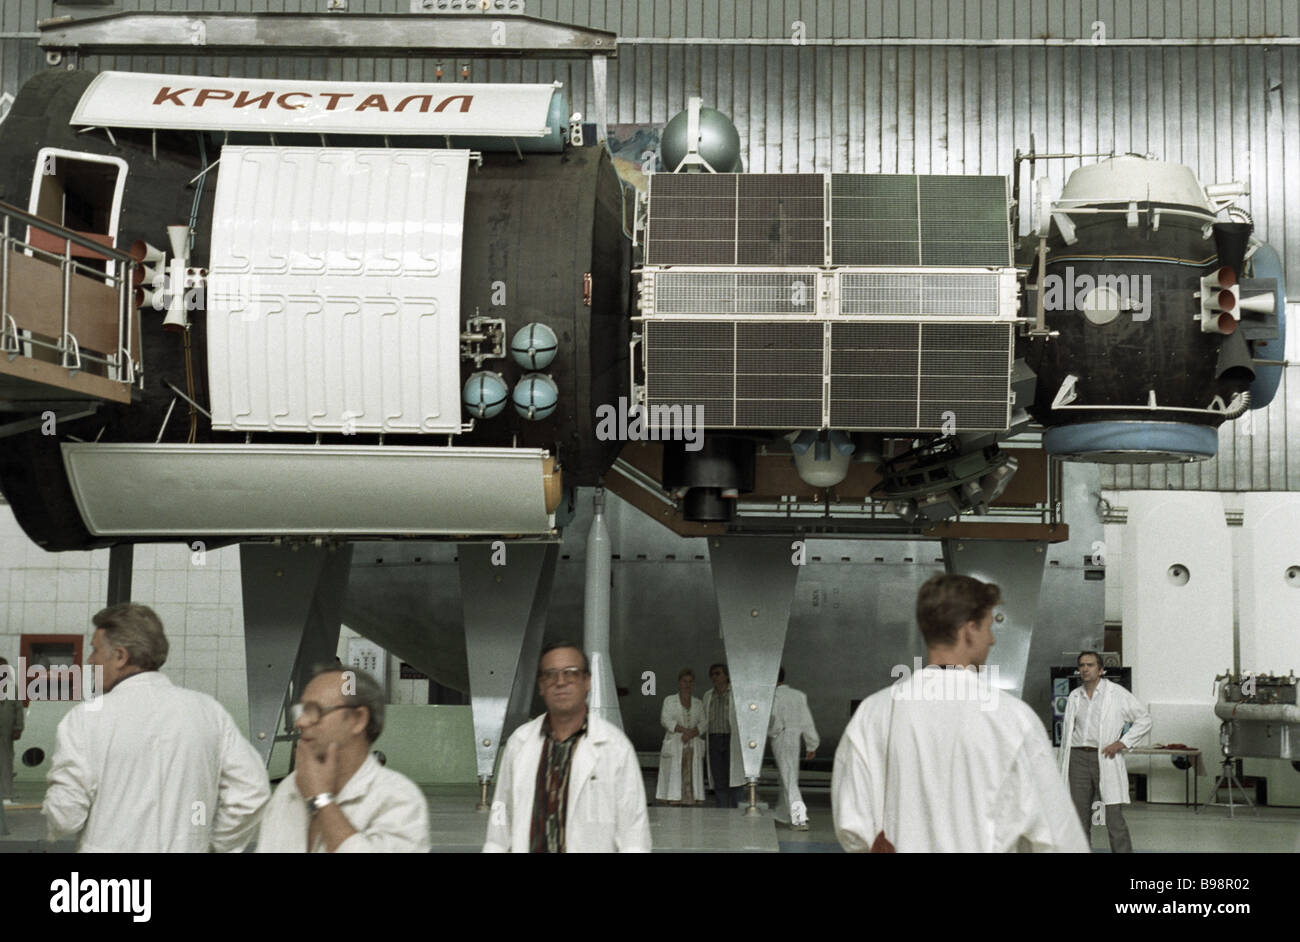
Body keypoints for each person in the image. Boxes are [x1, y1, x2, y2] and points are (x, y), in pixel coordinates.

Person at [832, 574, 1088, 853]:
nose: (991, 640)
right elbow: (1059, 838)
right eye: (988, 627)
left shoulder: (874, 713)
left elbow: (853, 826)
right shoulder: (1012, 719)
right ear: (968, 630)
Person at [43, 603, 271, 852]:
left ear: (120, 656)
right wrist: (214, 845)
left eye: (95, 651)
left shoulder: (85, 719)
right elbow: (252, 792)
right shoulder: (209, 712)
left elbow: (66, 817)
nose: (90, 660)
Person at [484, 641, 650, 853]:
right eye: (550, 674)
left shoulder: (615, 748)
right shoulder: (520, 743)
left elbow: (634, 836)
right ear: (541, 686)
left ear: (587, 681)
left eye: (570, 673)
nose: (560, 682)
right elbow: (499, 829)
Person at [257, 666, 430, 852]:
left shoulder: (398, 799)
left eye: (314, 710)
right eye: (301, 710)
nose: (300, 722)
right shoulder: (291, 788)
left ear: (358, 719)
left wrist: (320, 799)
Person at [1058, 651, 1152, 853]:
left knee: (1113, 816)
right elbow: (1068, 733)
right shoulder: (1075, 696)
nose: (1085, 669)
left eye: (1090, 665)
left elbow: (1144, 719)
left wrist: (1122, 742)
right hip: (1077, 758)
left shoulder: (1116, 693)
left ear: (1101, 670)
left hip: (1105, 757)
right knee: (1078, 817)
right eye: (1082, 665)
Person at [769, 666, 819, 829]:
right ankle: (782, 814)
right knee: (788, 776)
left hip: (782, 736)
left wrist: (772, 733)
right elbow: (807, 721)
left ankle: (799, 818)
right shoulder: (798, 695)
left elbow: (774, 720)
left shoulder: (773, 696)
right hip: (795, 737)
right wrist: (812, 744)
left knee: (789, 778)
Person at [655, 668, 706, 805]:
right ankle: (674, 798)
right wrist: (684, 731)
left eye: (690, 681)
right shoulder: (669, 700)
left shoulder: (698, 703)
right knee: (674, 771)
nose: (687, 684)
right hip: (676, 741)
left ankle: (690, 798)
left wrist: (692, 733)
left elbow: (704, 723)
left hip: (692, 742)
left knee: (690, 770)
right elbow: (665, 719)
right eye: (684, 681)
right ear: (679, 682)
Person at [701, 663, 745, 808]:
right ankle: (722, 810)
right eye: (712, 674)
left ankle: (737, 810)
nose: (714, 677)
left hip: (731, 739)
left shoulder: (736, 694)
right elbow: (704, 720)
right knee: (718, 777)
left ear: (726, 675)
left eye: (718, 673)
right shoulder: (708, 696)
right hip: (714, 739)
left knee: (735, 778)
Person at [0, 657, 23, 804]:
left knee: (6, 763)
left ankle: (6, 795)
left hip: (6, 732)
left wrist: (18, 727)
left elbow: (18, 709)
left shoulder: (12, 688)